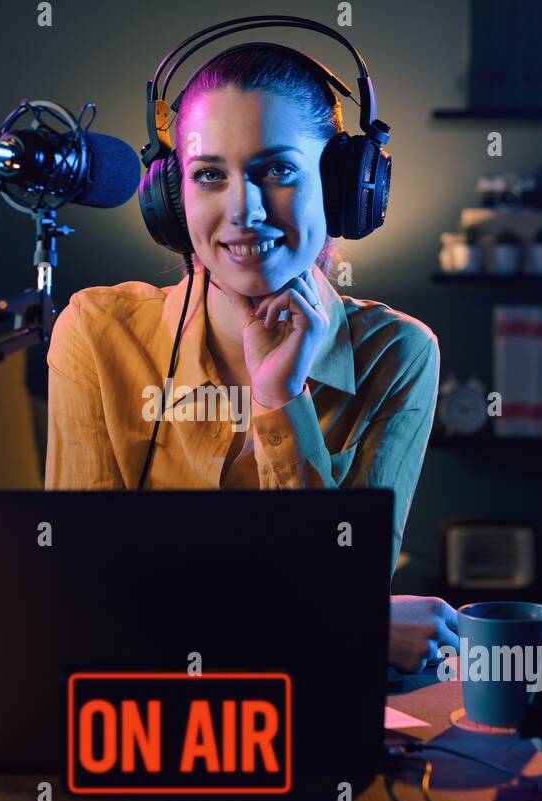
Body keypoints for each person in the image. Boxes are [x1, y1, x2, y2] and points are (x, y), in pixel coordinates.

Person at [45, 45, 458, 671]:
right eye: (209, 174)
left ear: (346, 187)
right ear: (170, 198)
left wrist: (280, 401)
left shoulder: (400, 355)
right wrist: (352, 621)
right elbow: (80, 602)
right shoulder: (96, 336)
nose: (242, 208)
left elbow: (340, 584)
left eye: (278, 171)